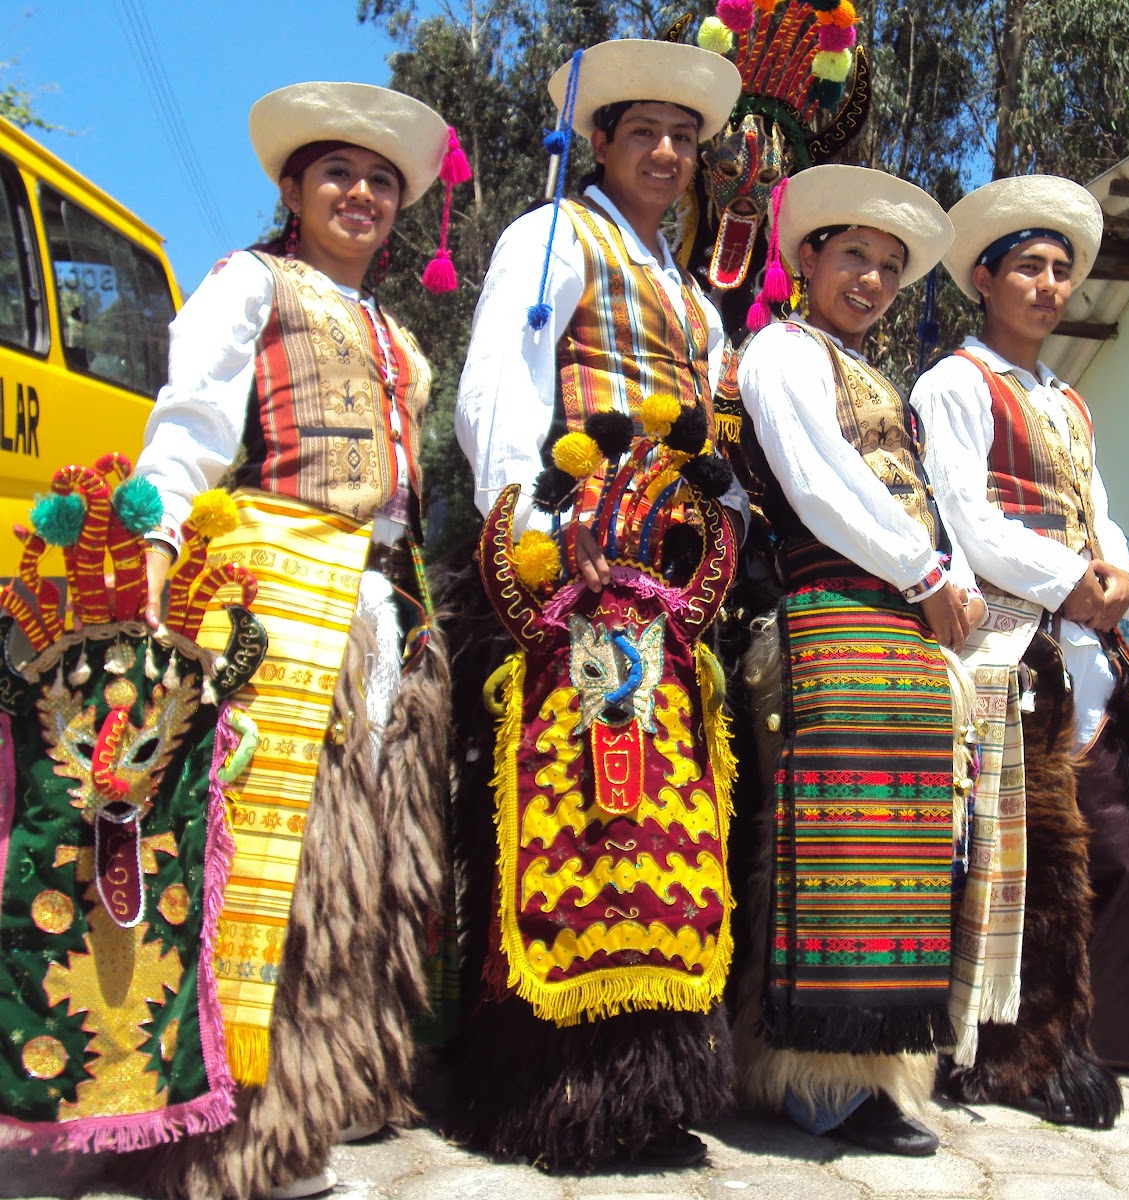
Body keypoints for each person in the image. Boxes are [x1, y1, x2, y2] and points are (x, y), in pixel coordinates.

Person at [129, 81, 459, 1199]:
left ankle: (344, 1085)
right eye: (338, 175)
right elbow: (190, 424)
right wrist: (156, 551)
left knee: (372, 865)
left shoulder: (394, 332)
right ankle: (245, 1128)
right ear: (292, 188)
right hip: (276, 596)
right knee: (280, 872)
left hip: (383, 609)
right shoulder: (248, 282)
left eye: (379, 181)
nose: (361, 194)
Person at [443, 38, 746, 1172]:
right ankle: (548, 1088)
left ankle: (652, 1086)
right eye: (644, 133)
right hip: (574, 563)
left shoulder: (689, 294)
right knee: (575, 812)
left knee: (668, 828)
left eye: (683, 138)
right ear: (603, 143)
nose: (666, 152)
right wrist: (525, 531)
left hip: (672, 586)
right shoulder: (552, 234)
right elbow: (499, 384)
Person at [910, 175, 1129, 1099]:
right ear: (983, 279)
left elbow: (1098, 512)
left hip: (1086, 638)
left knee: (1126, 846)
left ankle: (1118, 1039)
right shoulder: (951, 385)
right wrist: (1072, 585)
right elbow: (966, 516)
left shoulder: (1068, 402)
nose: (1049, 287)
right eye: (1029, 269)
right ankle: (1011, 1053)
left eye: (1060, 272)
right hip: (1010, 641)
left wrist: (1124, 576)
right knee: (1019, 855)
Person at [734, 163, 980, 1156]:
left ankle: (883, 1070)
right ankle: (811, 1080)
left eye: (887, 267)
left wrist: (940, 581)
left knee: (909, 856)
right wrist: (927, 571)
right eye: (853, 258)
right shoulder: (781, 351)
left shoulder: (876, 379)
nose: (871, 280)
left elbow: (925, 499)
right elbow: (816, 478)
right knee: (833, 849)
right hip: (826, 613)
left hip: (902, 628)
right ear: (806, 259)